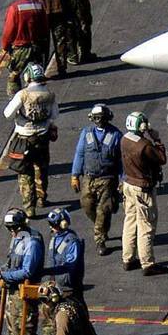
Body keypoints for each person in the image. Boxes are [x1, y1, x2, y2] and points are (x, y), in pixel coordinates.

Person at [3, 63, 57, 218]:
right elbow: (55, 115)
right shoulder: (50, 94)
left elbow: (7, 114)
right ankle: (42, 197)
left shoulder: (22, 94)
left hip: (24, 138)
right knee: (42, 168)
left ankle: (29, 207)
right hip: (43, 137)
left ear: (27, 77)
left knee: (25, 173)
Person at [120, 111, 168, 276]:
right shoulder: (145, 145)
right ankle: (147, 263)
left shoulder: (124, 139)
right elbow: (161, 158)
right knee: (146, 225)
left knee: (130, 220)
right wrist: (157, 140)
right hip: (142, 188)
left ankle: (127, 258)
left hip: (128, 184)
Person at [71, 104, 122, 255]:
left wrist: (122, 180)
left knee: (103, 210)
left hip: (108, 179)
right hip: (89, 177)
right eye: (97, 117)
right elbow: (80, 154)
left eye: (102, 117)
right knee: (87, 205)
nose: (99, 120)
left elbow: (121, 160)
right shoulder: (86, 133)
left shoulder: (116, 135)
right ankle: (102, 226)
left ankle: (100, 241)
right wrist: (75, 175)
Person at [1, 0, 49, 96]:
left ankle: (15, 100)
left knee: (14, 75)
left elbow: (9, 31)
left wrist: (6, 46)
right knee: (35, 74)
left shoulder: (14, 8)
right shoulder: (39, 6)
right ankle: (36, 96)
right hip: (37, 46)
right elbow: (44, 28)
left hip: (20, 48)